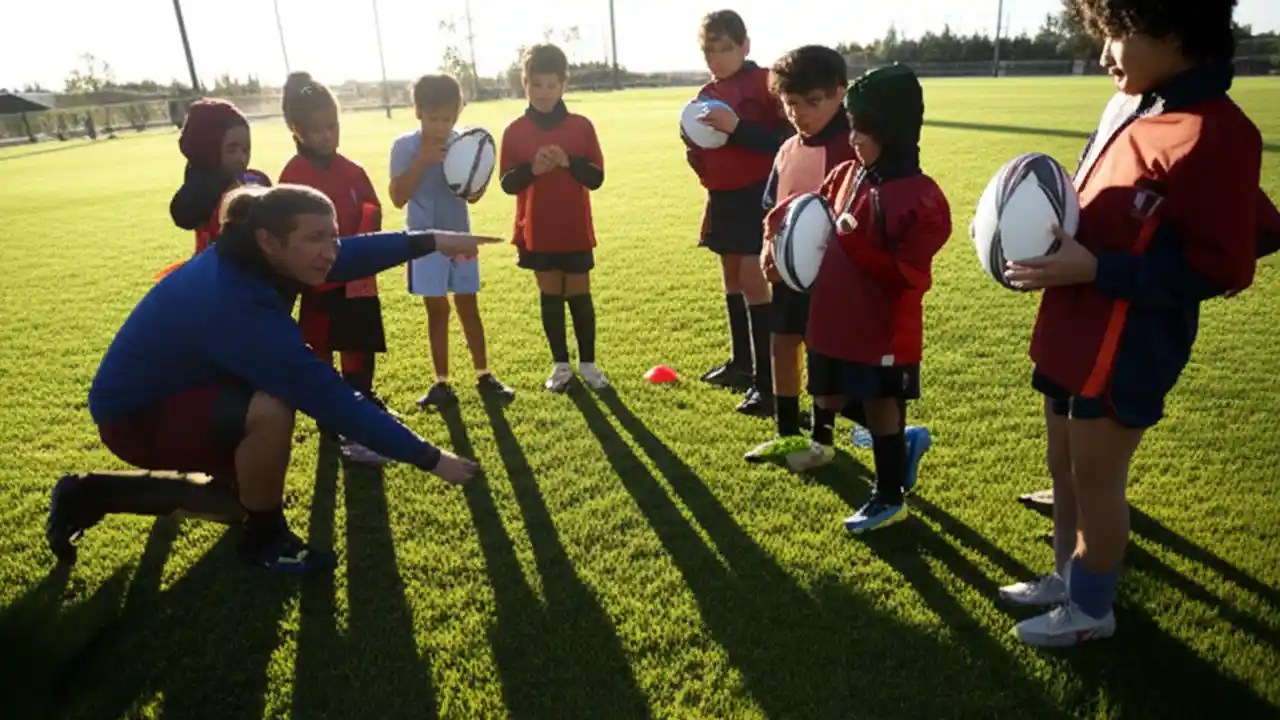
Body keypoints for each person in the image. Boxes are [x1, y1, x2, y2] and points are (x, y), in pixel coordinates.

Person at [47, 184, 498, 574]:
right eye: (316, 238)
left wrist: (436, 239)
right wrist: (430, 458)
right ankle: (266, 540)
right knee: (271, 408)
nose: (330, 250)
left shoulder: (261, 255)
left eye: (333, 235)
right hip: (138, 417)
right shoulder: (235, 298)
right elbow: (328, 397)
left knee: (233, 503)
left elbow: (351, 254)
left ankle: (88, 494)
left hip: (187, 392)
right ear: (269, 240)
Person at [998, 0, 1268, 647]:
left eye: (1116, 35)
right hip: (1070, 323)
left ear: (1173, 30)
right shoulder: (1135, 105)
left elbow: (1222, 266)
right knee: (1061, 466)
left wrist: (1100, 271)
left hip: (1124, 345)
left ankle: (1093, 609)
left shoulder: (1216, 129)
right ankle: (1067, 576)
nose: (1103, 55)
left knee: (1097, 483)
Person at [792, 64, 948, 533]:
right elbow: (810, 215)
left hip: (883, 325)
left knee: (880, 402)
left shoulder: (921, 197)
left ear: (894, 132)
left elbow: (911, 276)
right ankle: (902, 441)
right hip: (833, 315)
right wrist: (775, 240)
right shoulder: (847, 174)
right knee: (828, 391)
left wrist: (856, 244)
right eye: (852, 126)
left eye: (865, 129)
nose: (854, 138)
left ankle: (888, 495)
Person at [745, 45, 854, 470]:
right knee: (782, 346)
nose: (800, 113)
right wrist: (769, 252)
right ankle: (785, 434)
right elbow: (772, 206)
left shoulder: (851, 147)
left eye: (813, 102)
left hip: (832, 277)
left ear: (839, 93)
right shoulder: (788, 147)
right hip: (787, 272)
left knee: (823, 354)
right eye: (791, 103)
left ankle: (822, 441)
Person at [278, 72, 389, 464]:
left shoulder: (352, 170)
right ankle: (330, 414)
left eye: (332, 126)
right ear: (297, 130)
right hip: (317, 283)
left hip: (356, 278)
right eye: (317, 130)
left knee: (358, 346)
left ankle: (361, 403)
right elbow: (284, 226)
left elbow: (374, 209)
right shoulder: (292, 176)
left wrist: (363, 232)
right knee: (321, 347)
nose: (327, 136)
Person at [683, 9, 790, 416]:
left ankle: (768, 385)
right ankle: (742, 363)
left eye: (726, 48)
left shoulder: (766, 83)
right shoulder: (703, 96)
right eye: (710, 50)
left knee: (752, 276)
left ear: (745, 46)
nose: (717, 57)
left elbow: (787, 138)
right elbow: (705, 155)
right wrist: (694, 147)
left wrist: (737, 129)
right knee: (730, 273)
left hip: (756, 193)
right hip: (723, 196)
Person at [390, 73, 515, 408]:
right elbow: (398, 197)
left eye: (448, 118)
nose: (441, 126)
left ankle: (485, 375)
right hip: (423, 242)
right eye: (434, 119)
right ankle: (441, 383)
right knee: (437, 310)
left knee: (468, 307)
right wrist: (422, 161)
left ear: (458, 113)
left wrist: (476, 179)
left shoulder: (465, 144)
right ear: (417, 112)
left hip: (460, 241)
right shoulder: (404, 146)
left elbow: (471, 196)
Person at [499, 44, 608, 393]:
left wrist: (567, 162)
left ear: (564, 84)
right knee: (550, 293)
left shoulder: (580, 127)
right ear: (524, 82)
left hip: (574, 227)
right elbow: (506, 183)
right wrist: (532, 169)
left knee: (579, 291)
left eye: (550, 85)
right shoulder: (514, 131)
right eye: (535, 84)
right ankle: (560, 366)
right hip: (536, 230)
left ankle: (588, 365)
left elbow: (596, 177)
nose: (543, 93)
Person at [163, 98, 270, 277]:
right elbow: (183, 215)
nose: (241, 158)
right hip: (215, 274)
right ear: (209, 149)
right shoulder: (201, 186)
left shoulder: (254, 180)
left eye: (246, 150)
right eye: (231, 149)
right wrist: (217, 182)